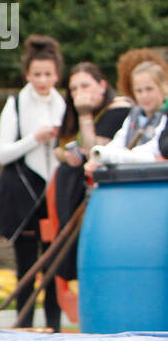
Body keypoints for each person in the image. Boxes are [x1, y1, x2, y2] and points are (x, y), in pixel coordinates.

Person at [0, 36, 68, 331]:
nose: (42, 80)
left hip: (53, 192)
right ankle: (23, 324)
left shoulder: (63, 104)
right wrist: (35, 138)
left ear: (57, 75)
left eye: (48, 74)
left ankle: (53, 325)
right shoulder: (15, 105)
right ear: (27, 74)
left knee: (53, 265)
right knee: (26, 265)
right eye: (37, 74)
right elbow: (3, 153)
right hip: (23, 194)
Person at [52, 62, 131, 282]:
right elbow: (58, 147)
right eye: (74, 89)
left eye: (85, 86)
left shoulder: (118, 110)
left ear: (102, 85)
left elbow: (94, 150)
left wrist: (84, 115)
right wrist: (65, 155)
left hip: (101, 196)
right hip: (71, 193)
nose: (79, 93)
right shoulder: (72, 111)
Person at [88, 61, 168, 169]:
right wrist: (100, 156)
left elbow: (156, 148)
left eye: (149, 89)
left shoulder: (165, 115)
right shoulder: (134, 114)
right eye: (139, 91)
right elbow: (119, 141)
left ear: (163, 87)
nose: (144, 95)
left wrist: (123, 156)